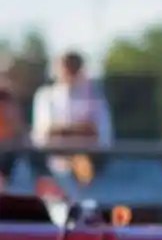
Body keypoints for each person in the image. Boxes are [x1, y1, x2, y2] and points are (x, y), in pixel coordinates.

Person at [29, 51, 114, 196]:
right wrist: (82, 130)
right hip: (52, 172)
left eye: (74, 66)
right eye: (66, 66)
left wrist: (62, 132)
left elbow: (103, 136)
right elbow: (42, 136)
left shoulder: (95, 97)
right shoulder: (45, 96)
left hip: (90, 173)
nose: (69, 71)